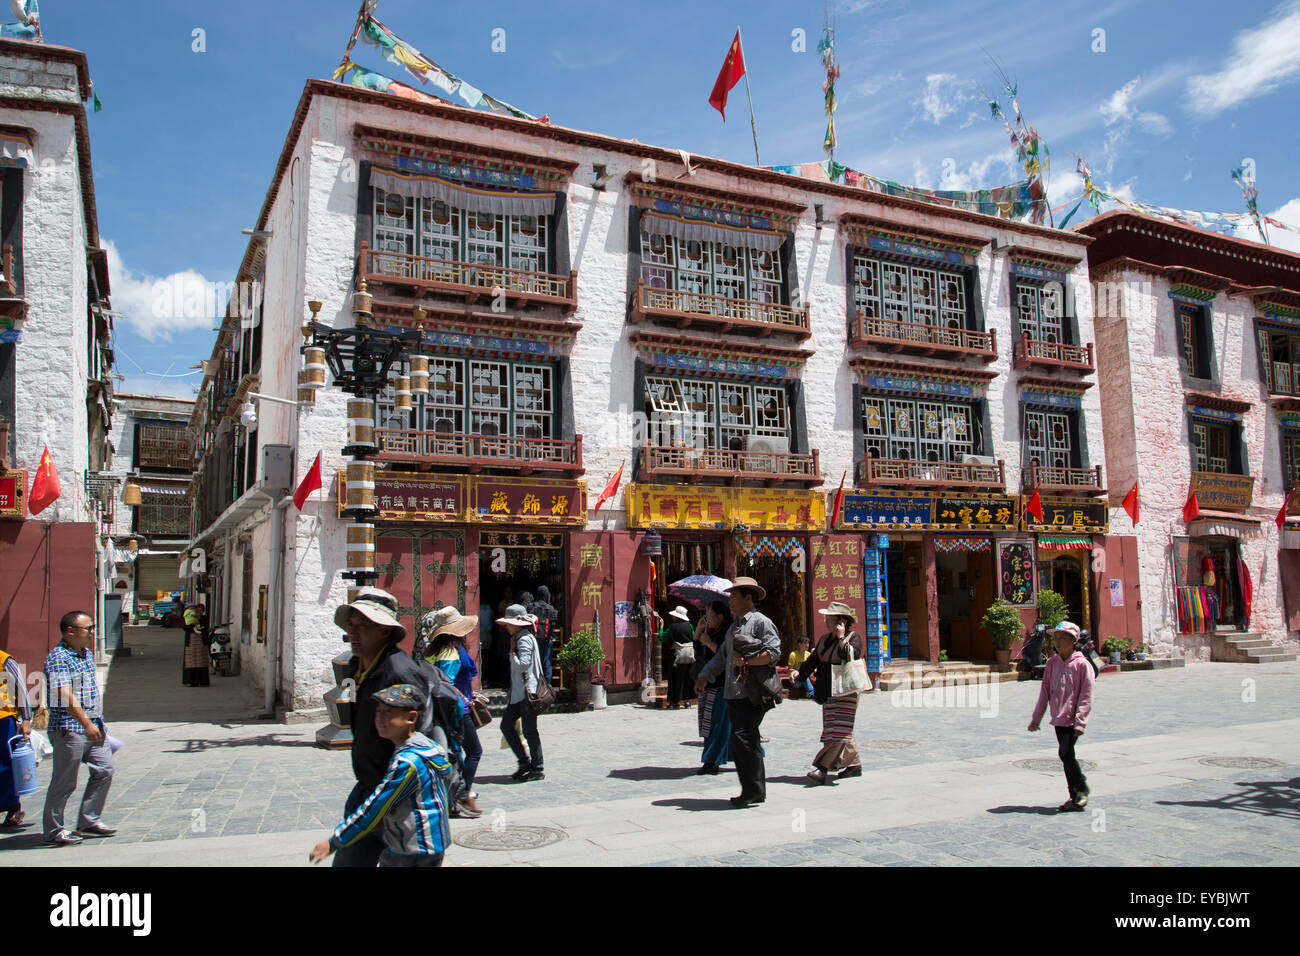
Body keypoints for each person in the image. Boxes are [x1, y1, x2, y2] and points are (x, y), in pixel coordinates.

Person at [310, 683, 453, 868]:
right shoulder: (428, 747)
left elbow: (376, 806)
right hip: (430, 841)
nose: (380, 718)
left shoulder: (408, 762)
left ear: (411, 718)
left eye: (389, 713)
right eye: (378, 711)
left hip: (411, 848)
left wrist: (333, 842)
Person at [333, 588, 426, 867]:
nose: (354, 633)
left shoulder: (398, 673)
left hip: (396, 800)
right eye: (351, 625)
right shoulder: (356, 667)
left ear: (385, 631)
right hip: (367, 789)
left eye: (364, 626)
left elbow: (419, 739)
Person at [694, 577, 781, 808]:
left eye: (734, 597)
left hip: (753, 692)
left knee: (740, 738)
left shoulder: (761, 622)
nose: (730, 601)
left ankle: (751, 790)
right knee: (748, 740)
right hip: (733, 692)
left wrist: (747, 660)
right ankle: (756, 790)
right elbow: (723, 657)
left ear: (748, 598)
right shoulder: (734, 626)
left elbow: (773, 652)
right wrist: (704, 675)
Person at [42, 611, 116, 846]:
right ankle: (55, 830)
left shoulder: (85, 654)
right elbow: (65, 696)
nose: (93, 632)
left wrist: (96, 722)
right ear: (70, 631)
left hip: (95, 725)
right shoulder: (57, 658)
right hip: (70, 728)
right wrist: (86, 724)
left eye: (93, 627)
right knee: (64, 782)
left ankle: (89, 820)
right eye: (88, 628)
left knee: (104, 770)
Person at [421, 607, 484, 818]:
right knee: (474, 751)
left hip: (436, 710)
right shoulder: (450, 653)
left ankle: (453, 795)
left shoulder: (432, 651)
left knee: (453, 755)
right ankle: (462, 792)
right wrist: (464, 698)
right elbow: (445, 685)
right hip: (455, 710)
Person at [1028, 621, 1095, 812]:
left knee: (1065, 753)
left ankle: (1079, 789)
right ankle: (1077, 792)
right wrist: (1036, 718)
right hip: (1058, 717)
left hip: (1072, 719)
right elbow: (1045, 692)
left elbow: (1086, 694)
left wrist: (1081, 721)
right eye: (1055, 638)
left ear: (1073, 641)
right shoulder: (1052, 664)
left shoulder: (1082, 664)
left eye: (1062, 638)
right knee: (1066, 754)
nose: (1057, 642)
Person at [797, 603, 865, 784]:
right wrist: (800, 672)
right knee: (833, 729)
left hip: (846, 692)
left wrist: (842, 637)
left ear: (841, 622)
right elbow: (813, 660)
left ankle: (822, 768)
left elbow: (850, 655)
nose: (826, 621)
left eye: (830, 618)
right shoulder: (824, 640)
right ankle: (854, 765)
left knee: (839, 731)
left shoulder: (853, 638)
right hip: (827, 691)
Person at [498, 603, 544, 781]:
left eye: (509, 623)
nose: (506, 626)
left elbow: (524, 665)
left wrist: (512, 654)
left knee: (530, 731)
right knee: (507, 726)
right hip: (520, 693)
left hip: (527, 693)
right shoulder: (521, 637)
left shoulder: (523, 639)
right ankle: (525, 762)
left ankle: (537, 767)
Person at [694, 600, 732, 774]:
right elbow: (698, 652)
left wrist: (708, 642)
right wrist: (699, 632)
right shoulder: (711, 631)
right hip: (709, 683)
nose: (708, 618)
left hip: (721, 684)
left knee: (715, 725)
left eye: (711, 614)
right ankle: (745, 754)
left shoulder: (727, 632)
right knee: (716, 724)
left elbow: (726, 656)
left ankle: (711, 760)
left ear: (721, 616)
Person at [0, 646, 34, 828]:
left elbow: (21, 688)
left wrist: (26, 718)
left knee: (5, 765)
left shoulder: (5, 660)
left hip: (3, 720)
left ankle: (12, 806)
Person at [658, 606, 696, 709]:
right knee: (687, 679)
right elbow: (694, 637)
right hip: (689, 656)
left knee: (674, 679)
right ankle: (687, 701)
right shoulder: (690, 626)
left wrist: (661, 627)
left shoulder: (672, 627)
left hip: (676, 656)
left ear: (677, 617)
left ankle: (675, 702)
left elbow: (662, 638)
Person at [526, 586, 559, 683]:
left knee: (534, 663)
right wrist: (548, 637)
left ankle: (534, 686)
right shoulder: (551, 609)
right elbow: (553, 625)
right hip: (546, 640)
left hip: (534, 640)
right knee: (546, 663)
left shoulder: (532, 607)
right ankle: (547, 686)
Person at [181, 603, 209, 687]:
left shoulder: (204, 618)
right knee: (191, 662)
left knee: (201, 661)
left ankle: (202, 681)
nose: (199, 612)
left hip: (201, 642)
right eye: (198, 610)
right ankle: (191, 681)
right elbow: (185, 628)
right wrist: (194, 624)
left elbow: (206, 628)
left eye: (201, 610)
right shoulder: (190, 617)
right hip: (191, 642)